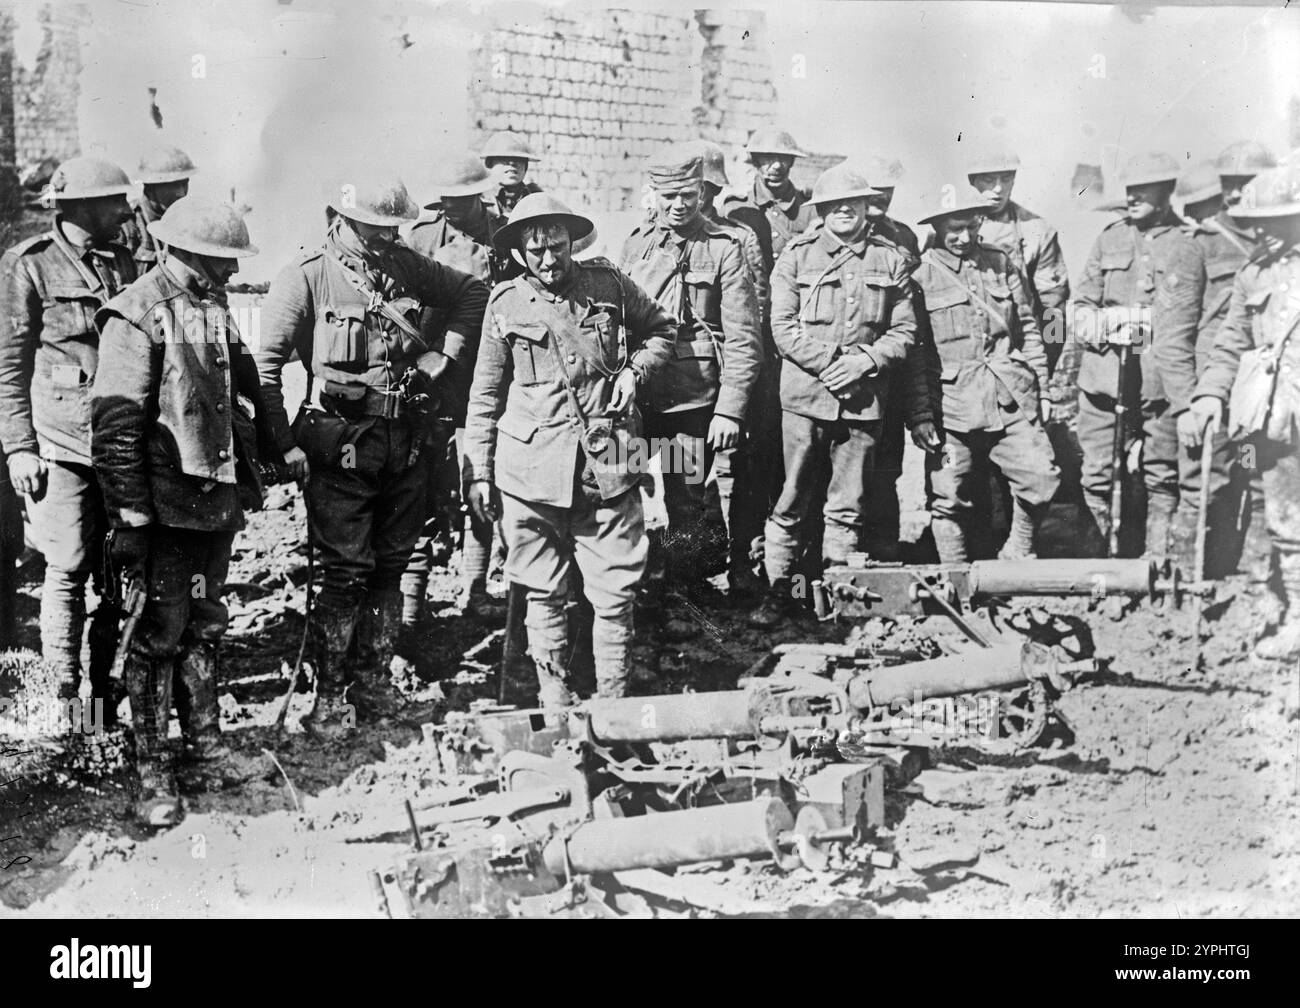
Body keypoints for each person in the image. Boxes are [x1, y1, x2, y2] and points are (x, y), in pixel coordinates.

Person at [255, 171, 488, 740]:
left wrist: (443, 358)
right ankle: (330, 698)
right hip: (340, 448)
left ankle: (375, 684)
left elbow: (471, 294)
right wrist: (283, 444)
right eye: (373, 229)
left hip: (405, 444)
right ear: (340, 222)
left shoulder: (408, 266)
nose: (385, 239)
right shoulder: (306, 278)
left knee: (390, 565)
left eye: (392, 229)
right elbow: (265, 369)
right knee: (345, 573)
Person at [92, 197, 283, 826]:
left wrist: (278, 448)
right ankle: (152, 773)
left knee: (205, 623)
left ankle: (206, 748)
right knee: (156, 636)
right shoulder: (137, 314)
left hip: (212, 504)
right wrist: (131, 516)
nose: (231, 274)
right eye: (223, 262)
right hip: (167, 514)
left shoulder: (210, 307)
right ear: (188, 252)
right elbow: (117, 428)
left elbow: (242, 383)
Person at [463, 193, 676, 706]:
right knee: (542, 592)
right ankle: (555, 709)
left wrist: (633, 372)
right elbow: (485, 396)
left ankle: (614, 709)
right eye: (535, 250)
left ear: (571, 243)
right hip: (531, 475)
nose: (547, 259)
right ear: (519, 251)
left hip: (609, 466)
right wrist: (480, 473)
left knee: (615, 593)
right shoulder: (505, 303)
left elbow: (663, 331)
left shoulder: (610, 285)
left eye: (556, 246)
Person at [748, 164, 917, 628]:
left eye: (853, 204)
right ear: (820, 210)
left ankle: (839, 598)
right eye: (834, 205)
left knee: (848, 504)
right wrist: (831, 366)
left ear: (868, 209)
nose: (844, 211)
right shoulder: (797, 257)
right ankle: (780, 592)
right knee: (791, 500)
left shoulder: (890, 260)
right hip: (805, 400)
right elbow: (780, 328)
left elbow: (905, 330)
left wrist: (865, 362)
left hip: (864, 401)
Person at [0, 157, 136, 721]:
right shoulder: (28, 266)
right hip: (61, 443)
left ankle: (101, 707)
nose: (125, 210)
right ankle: (61, 698)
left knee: (116, 572)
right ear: (80, 207)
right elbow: (8, 365)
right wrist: (18, 448)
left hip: (121, 442)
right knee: (67, 566)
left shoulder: (126, 261)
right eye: (113, 201)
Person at [618, 144, 762, 606]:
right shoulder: (635, 244)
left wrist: (730, 411)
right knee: (624, 489)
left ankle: (686, 592)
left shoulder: (723, 249)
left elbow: (744, 341)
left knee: (685, 498)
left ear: (703, 192)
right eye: (669, 195)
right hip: (639, 394)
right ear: (653, 194)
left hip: (691, 400)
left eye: (689, 194)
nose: (679, 204)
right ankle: (630, 584)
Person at [909, 190, 1059, 562]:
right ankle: (957, 582)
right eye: (953, 229)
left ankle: (1017, 553)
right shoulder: (920, 275)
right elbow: (915, 357)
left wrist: (1043, 390)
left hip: (1011, 396)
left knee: (1041, 476)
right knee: (949, 495)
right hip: (953, 407)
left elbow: (1028, 327)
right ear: (937, 228)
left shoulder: (999, 262)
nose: (963, 237)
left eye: (970, 227)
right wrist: (922, 416)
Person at [1188, 162, 1300, 661]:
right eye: (1261, 223)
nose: (1263, 231)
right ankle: (1275, 603)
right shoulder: (1255, 270)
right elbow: (1230, 340)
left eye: (1276, 222)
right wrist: (1209, 394)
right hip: (1265, 427)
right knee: (1269, 508)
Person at [1072, 151, 1204, 558]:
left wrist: (1143, 321)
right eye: (1129, 190)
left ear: (1166, 193)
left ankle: (1156, 564)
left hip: (1159, 382)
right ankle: (1102, 569)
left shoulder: (1187, 244)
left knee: (1161, 475)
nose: (1132, 197)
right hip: (1103, 381)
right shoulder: (1109, 238)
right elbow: (1079, 311)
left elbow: (1190, 317)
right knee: (1096, 475)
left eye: (1142, 189)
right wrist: (1114, 323)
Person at [402, 153, 516, 626]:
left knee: (480, 482)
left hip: (488, 380)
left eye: (461, 200)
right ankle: (413, 610)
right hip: (434, 378)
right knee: (423, 490)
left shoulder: (507, 236)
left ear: (481, 195)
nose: (451, 208)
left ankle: (476, 590)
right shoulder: (423, 237)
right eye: (445, 200)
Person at [1170, 143, 1274, 577]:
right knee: (1204, 485)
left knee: (1257, 474)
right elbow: (1174, 335)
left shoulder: (1282, 241)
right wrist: (1185, 405)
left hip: (1266, 396)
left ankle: (1253, 579)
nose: (1236, 195)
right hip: (1213, 391)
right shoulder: (1200, 243)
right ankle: (1187, 580)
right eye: (1229, 186)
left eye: (1247, 184)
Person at [721, 127, 818, 275]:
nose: (777, 165)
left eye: (784, 158)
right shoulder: (735, 207)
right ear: (755, 160)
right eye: (769, 157)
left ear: (792, 161)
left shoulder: (809, 208)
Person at [119, 144, 198, 268]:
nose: (181, 193)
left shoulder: (186, 221)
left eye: (184, 184)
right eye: (173, 185)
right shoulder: (128, 224)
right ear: (150, 186)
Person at [481, 131, 544, 220]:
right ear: (489, 163)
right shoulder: (479, 198)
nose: (512, 163)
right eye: (503, 158)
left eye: (518, 159)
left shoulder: (536, 198)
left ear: (526, 166)